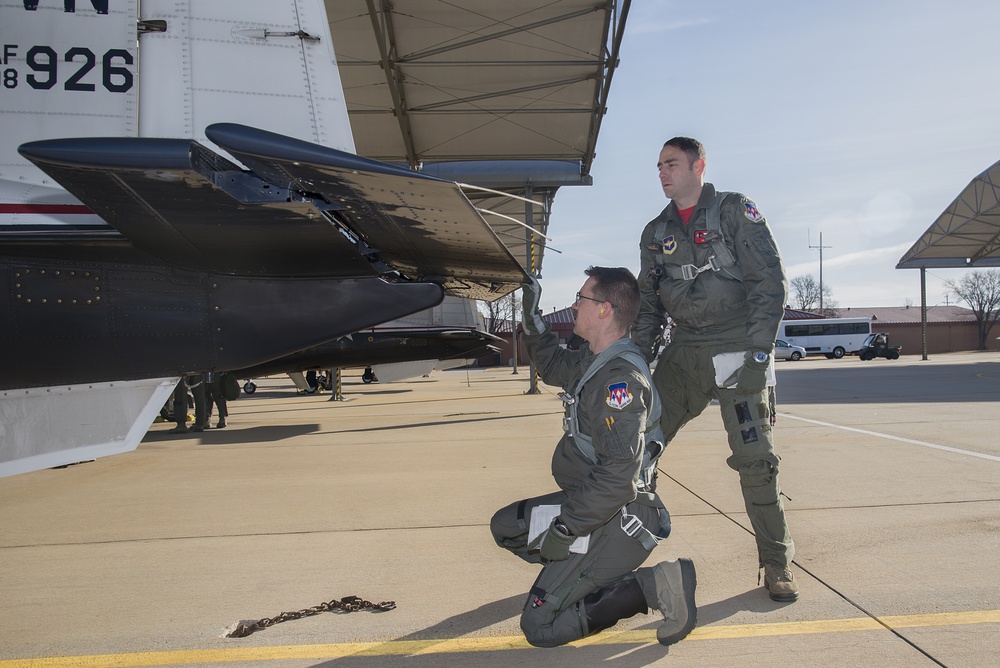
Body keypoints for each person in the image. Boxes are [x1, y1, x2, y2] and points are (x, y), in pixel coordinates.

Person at [490, 266, 697, 648]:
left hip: (618, 517)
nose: (574, 305)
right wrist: (532, 316)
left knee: (539, 628)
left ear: (604, 309)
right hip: (588, 504)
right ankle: (576, 573)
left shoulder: (618, 383)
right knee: (505, 526)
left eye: (580, 298)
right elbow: (553, 364)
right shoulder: (594, 359)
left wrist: (565, 529)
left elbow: (618, 478)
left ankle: (655, 585)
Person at [631, 136, 798, 601]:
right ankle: (615, 549)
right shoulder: (655, 232)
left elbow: (769, 281)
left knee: (756, 461)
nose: (663, 172)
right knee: (635, 445)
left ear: (698, 166)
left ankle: (776, 562)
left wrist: (759, 354)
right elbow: (648, 306)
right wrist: (636, 361)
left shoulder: (733, 211)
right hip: (685, 352)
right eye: (659, 165)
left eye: (671, 163)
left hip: (737, 348)